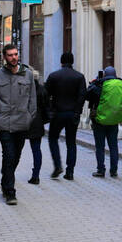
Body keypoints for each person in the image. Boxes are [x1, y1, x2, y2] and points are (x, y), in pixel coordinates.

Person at [0, 43, 36, 205]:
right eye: (10, 55)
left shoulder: (27, 75)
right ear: (4, 57)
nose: (14, 58)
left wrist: (29, 117)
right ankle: (10, 191)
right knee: (9, 154)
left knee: (17, 155)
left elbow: (32, 99)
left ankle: (6, 177)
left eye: (15, 54)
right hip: (4, 124)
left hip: (22, 122)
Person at [44, 52, 87, 180]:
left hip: (58, 113)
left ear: (61, 61)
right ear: (72, 61)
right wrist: (77, 112)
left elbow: (46, 94)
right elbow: (82, 96)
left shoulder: (54, 76)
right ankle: (70, 171)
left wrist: (50, 109)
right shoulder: (79, 77)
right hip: (72, 113)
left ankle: (57, 165)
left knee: (52, 138)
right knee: (71, 142)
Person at [85, 65, 122, 178]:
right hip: (113, 121)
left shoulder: (100, 85)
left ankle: (101, 170)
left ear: (104, 75)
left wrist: (94, 82)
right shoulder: (120, 85)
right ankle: (114, 171)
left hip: (99, 121)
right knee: (113, 146)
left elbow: (88, 95)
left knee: (100, 147)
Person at [24, 64, 48, 185]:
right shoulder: (41, 89)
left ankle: (8, 173)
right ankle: (36, 175)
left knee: (14, 150)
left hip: (22, 121)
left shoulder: (23, 88)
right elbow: (46, 107)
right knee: (36, 149)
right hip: (37, 121)